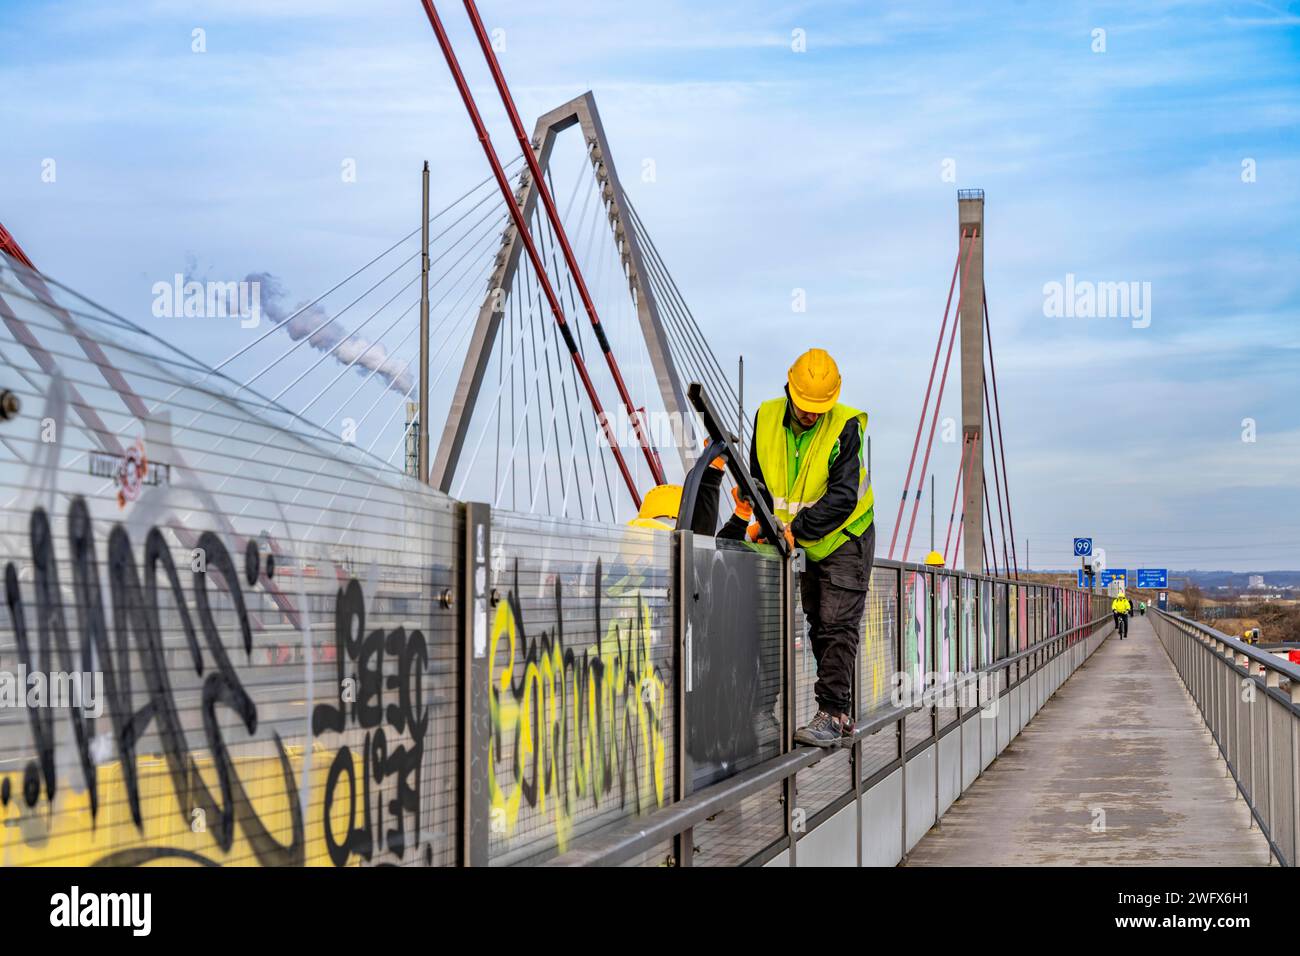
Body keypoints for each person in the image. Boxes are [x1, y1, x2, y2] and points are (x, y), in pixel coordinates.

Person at [741, 348, 876, 748]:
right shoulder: (766, 418)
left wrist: (793, 529)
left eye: (820, 408)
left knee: (837, 625)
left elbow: (843, 497)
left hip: (844, 537)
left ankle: (834, 713)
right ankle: (792, 711)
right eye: (805, 408)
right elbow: (758, 483)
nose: (812, 415)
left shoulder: (845, 425)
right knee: (815, 624)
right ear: (789, 390)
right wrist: (759, 522)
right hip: (797, 538)